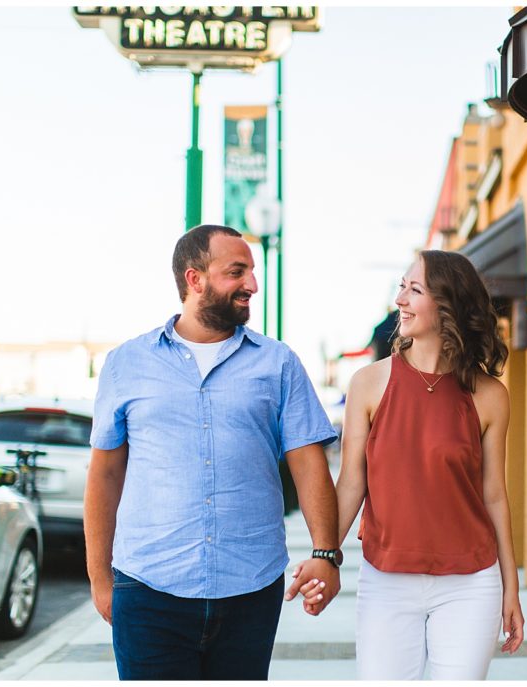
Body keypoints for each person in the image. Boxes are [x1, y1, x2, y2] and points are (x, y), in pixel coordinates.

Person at [85, 224, 344, 680]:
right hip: (148, 587)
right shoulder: (127, 363)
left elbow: (309, 466)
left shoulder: (278, 362)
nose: (252, 285)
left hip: (251, 588)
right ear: (194, 278)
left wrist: (326, 554)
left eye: (253, 272)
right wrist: (100, 579)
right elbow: (105, 473)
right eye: (237, 272)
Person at [292, 249, 525, 679]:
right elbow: (350, 486)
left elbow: (493, 495)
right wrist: (325, 552)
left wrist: (511, 586)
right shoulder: (369, 383)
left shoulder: (490, 396)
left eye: (414, 289)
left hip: (471, 583)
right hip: (387, 581)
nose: (400, 299)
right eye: (401, 286)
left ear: (449, 305)